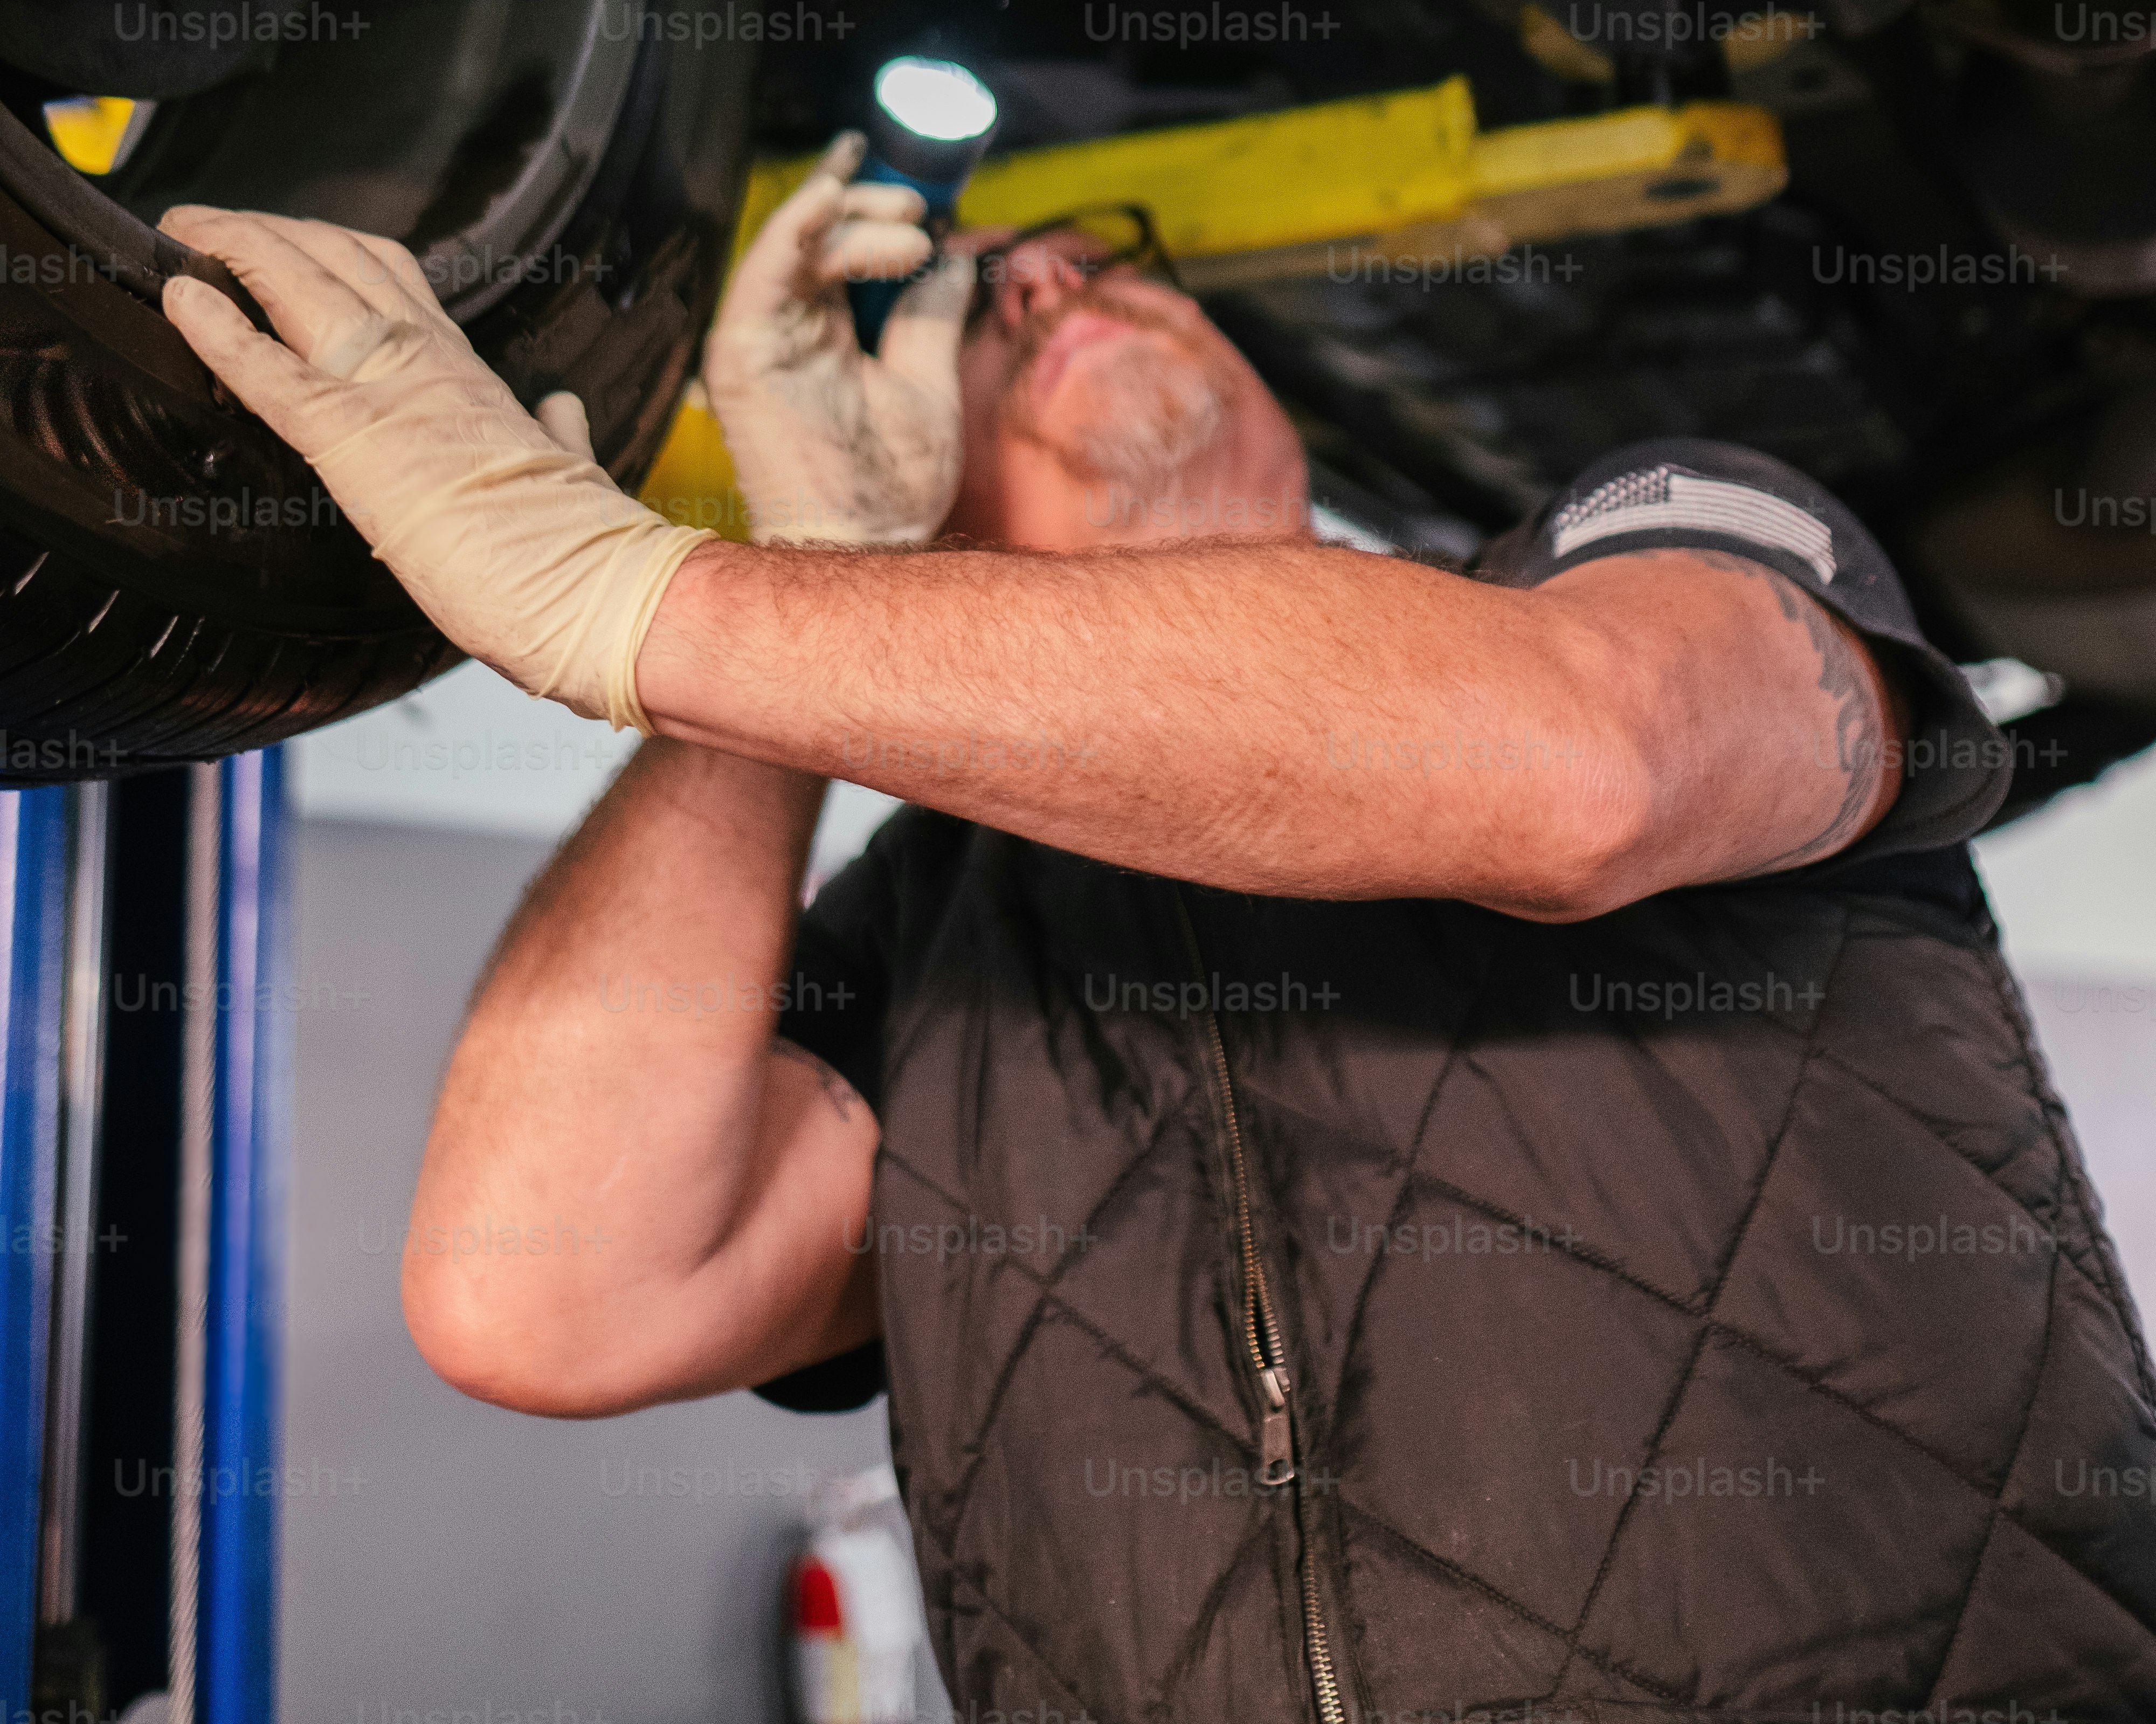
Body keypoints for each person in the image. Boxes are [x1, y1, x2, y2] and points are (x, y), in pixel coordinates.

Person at [160, 146, 2156, 1721]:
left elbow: (1588, 764)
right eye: (965, 313)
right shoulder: (931, 937)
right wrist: (789, 605)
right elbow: (545, 1290)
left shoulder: (1646, 548)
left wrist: (646, 602)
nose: (1038, 281)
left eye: (1103, 259)